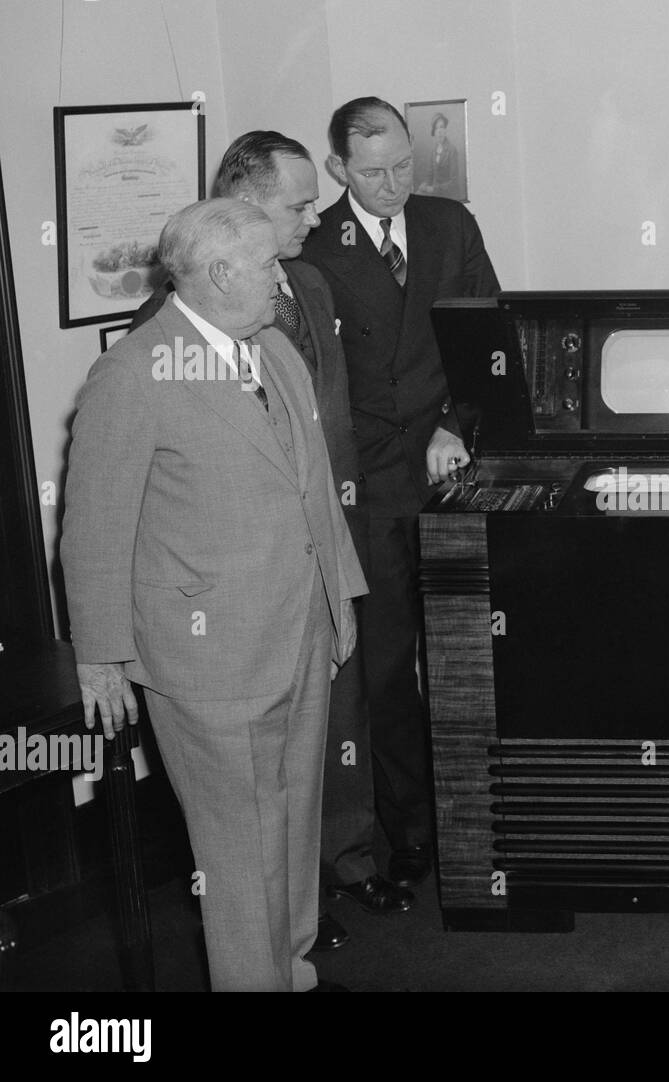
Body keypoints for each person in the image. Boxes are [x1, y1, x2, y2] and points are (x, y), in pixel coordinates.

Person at [63, 198, 368, 991]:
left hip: (298, 627)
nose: (284, 280)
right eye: (271, 266)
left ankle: (291, 968)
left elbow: (313, 492)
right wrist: (100, 658)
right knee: (238, 849)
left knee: (294, 820)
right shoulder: (132, 374)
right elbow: (94, 525)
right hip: (207, 656)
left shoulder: (273, 350)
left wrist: (343, 598)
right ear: (223, 273)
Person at [130, 132, 414, 955]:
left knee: (340, 716)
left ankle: (343, 860)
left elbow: (329, 416)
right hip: (235, 599)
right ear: (241, 212)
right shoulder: (168, 333)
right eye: (297, 203)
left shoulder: (309, 285)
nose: (314, 215)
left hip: (324, 539)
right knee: (253, 795)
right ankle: (279, 926)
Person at [300, 97, 501, 889]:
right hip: (371, 488)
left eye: (403, 168)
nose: (391, 186)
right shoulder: (312, 247)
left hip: (455, 477)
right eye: (373, 172)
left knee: (468, 657)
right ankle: (410, 828)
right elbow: (321, 386)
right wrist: (391, 453)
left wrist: (455, 423)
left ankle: (476, 820)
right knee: (386, 670)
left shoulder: (452, 226)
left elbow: (486, 339)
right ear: (339, 169)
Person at [418, 112, 460, 199]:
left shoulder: (452, 150)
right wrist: (425, 184)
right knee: (416, 195)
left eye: (442, 127)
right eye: (436, 128)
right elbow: (430, 175)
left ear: (445, 130)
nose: (439, 131)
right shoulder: (433, 150)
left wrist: (434, 189)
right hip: (433, 192)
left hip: (446, 194)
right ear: (434, 132)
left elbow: (454, 182)